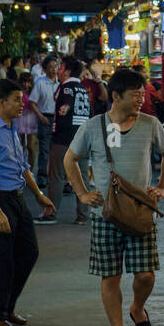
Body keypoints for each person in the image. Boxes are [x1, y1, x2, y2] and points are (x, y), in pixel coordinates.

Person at [64, 68, 164, 326]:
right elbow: (70, 159)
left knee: (146, 276)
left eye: (143, 93)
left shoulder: (150, 124)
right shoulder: (93, 126)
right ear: (116, 96)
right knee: (110, 276)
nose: (142, 98)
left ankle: (137, 309)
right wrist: (82, 193)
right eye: (136, 94)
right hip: (105, 214)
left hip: (140, 213)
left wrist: (163, 186)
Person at [0, 78, 55, 326]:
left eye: (23, 99)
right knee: (1, 260)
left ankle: (7, 308)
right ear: (1, 102)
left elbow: (23, 167)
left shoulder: (11, 128)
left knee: (28, 253)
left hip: (17, 199)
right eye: (17, 99)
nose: (23, 104)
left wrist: (39, 196)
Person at [49, 56, 92, 222]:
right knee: (82, 178)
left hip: (64, 139)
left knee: (57, 176)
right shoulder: (83, 89)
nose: (58, 71)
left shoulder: (65, 87)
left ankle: (51, 213)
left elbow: (67, 101)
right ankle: (83, 215)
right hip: (83, 140)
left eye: (60, 68)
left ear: (67, 72)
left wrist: (65, 108)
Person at [28, 55, 59, 201]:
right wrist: (41, 117)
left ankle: (55, 176)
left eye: (56, 67)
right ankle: (42, 177)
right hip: (45, 118)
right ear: (45, 68)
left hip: (58, 119)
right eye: (51, 67)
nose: (54, 70)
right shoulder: (40, 82)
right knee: (44, 149)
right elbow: (33, 102)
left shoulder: (61, 84)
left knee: (57, 149)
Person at [17, 71, 40, 184]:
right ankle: (21, 169)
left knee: (30, 146)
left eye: (28, 82)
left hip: (30, 118)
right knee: (20, 146)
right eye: (24, 82)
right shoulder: (18, 92)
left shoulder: (33, 92)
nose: (26, 84)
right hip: (20, 118)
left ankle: (30, 170)